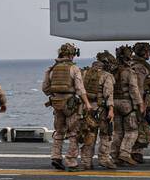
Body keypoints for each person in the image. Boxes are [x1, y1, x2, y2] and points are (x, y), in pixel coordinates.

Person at [43, 43, 93, 171]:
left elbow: (45, 89)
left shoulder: (51, 69)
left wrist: (56, 94)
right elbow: (80, 89)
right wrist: (87, 103)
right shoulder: (74, 68)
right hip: (70, 104)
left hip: (56, 103)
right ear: (72, 54)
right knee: (73, 132)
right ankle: (71, 161)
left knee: (59, 131)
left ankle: (56, 157)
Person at [80, 50, 117, 169]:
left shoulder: (84, 73)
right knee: (106, 134)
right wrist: (111, 109)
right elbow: (108, 94)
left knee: (89, 135)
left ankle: (86, 162)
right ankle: (104, 159)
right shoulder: (107, 76)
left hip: (86, 108)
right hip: (102, 109)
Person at [110, 45, 145, 167]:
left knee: (117, 132)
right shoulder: (129, 72)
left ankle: (114, 156)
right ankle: (125, 153)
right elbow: (134, 90)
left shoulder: (112, 71)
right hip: (127, 104)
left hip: (114, 103)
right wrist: (140, 104)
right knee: (132, 131)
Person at [130, 42, 150, 164]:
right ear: (143, 52)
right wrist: (142, 104)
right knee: (141, 126)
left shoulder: (136, 65)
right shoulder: (140, 67)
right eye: (148, 51)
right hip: (141, 100)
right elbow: (139, 86)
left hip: (141, 99)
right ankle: (136, 152)